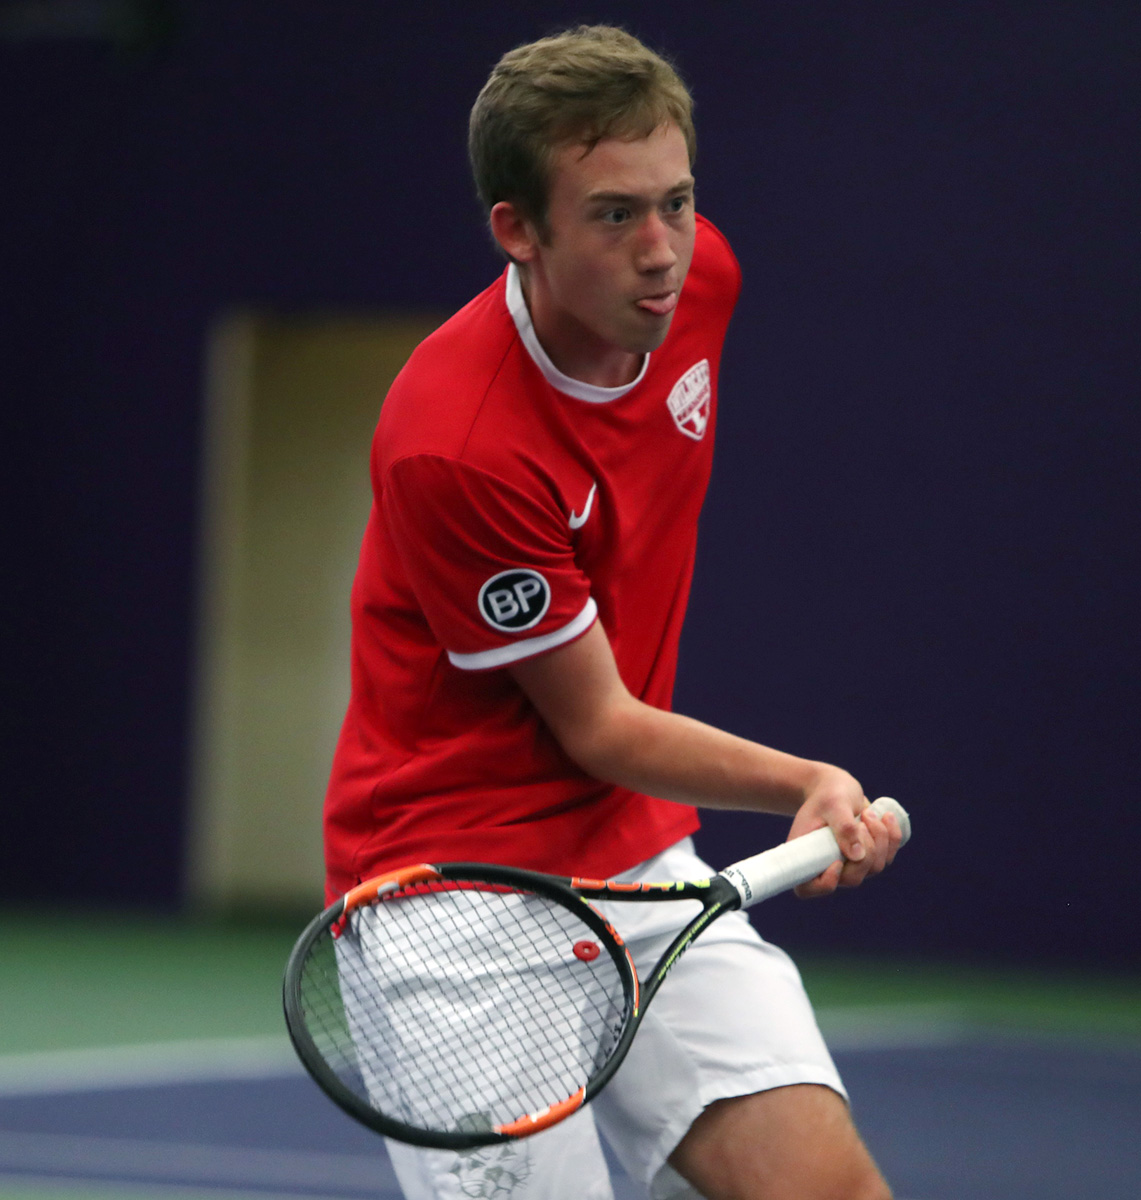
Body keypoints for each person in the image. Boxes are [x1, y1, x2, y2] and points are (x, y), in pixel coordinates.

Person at [321, 26, 902, 1200]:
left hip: (638, 862)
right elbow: (598, 725)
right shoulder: (459, 442)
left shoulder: (702, 283)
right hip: (461, 905)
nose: (662, 253)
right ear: (517, 230)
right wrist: (804, 782)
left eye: (677, 203)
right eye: (614, 216)